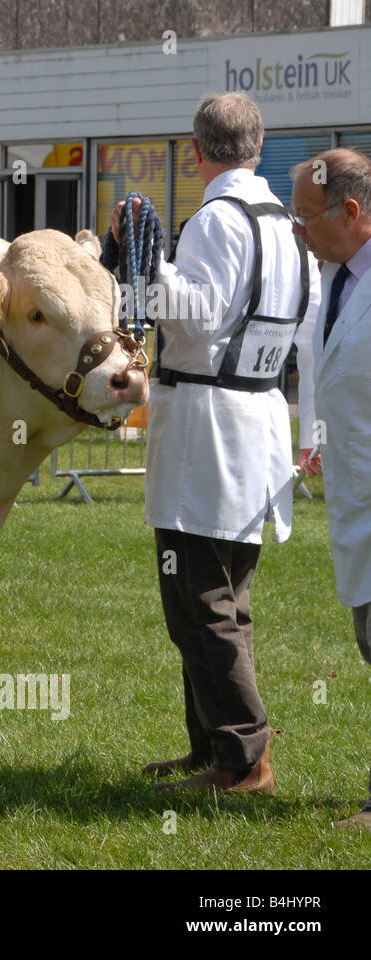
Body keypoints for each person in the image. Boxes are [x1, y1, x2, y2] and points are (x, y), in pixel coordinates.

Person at [102, 93, 318, 794]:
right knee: (227, 594)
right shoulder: (289, 226)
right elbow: (306, 329)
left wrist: (145, 269)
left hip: (206, 426)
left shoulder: (215, 222)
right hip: (257, 420)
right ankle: (213, 744)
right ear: (256, 146)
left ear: (197, 153)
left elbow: (195, 317)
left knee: (199, 601)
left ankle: (242, 759)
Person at [288, 147, 371, 831]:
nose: (297, 229)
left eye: (307, 217)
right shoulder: (340, 277)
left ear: (352, 213)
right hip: (357, 492)